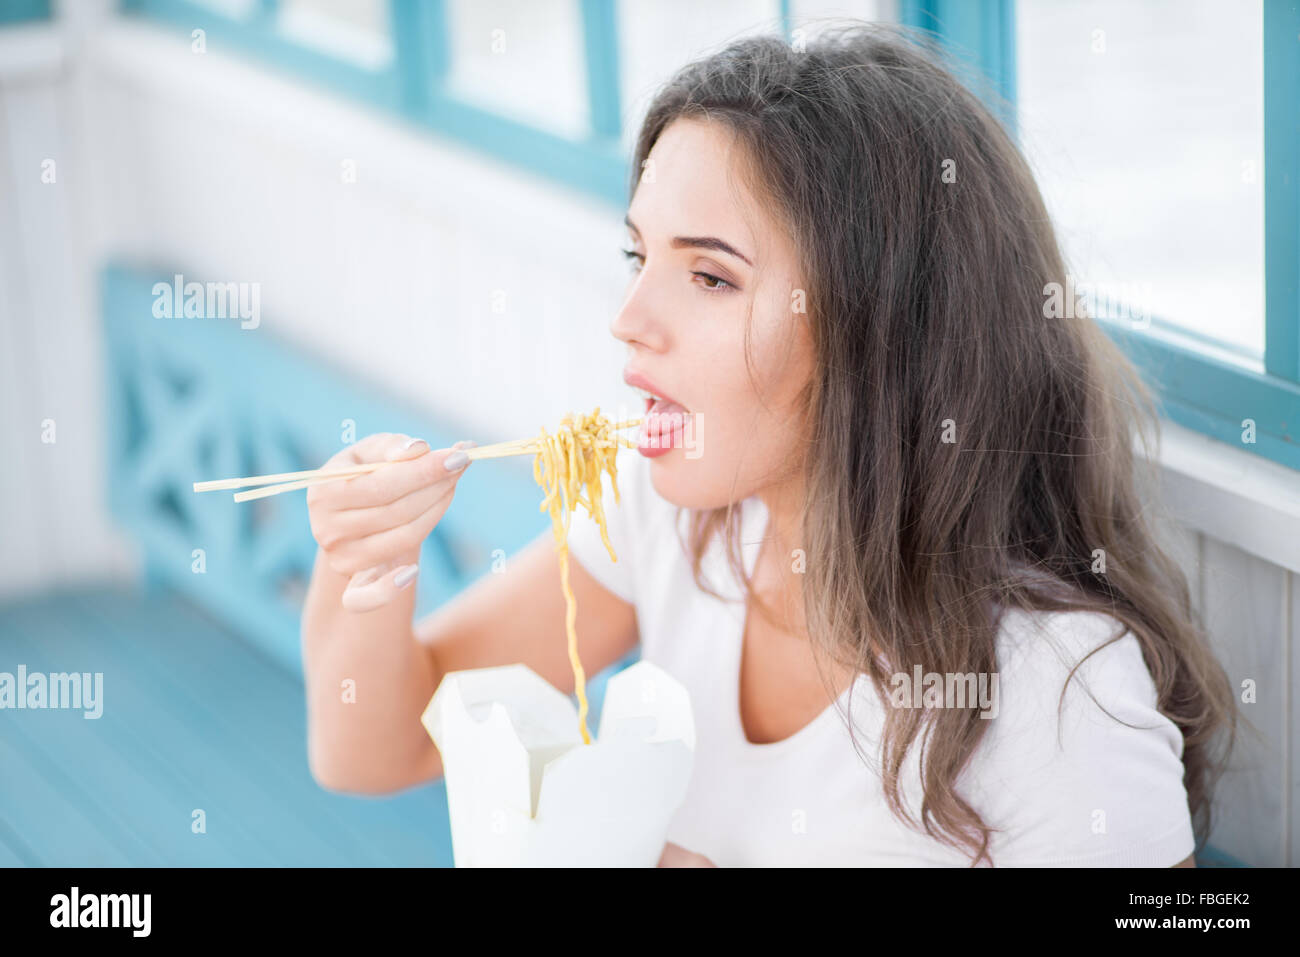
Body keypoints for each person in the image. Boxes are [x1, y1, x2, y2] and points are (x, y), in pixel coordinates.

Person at [300, 22, 1235, 867]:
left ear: (881, 328)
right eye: (640, 258)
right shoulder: (662, 514)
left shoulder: (1060, 697)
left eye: (709, 276)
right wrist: (361, 566)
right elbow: (378, 745)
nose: (628, 320)